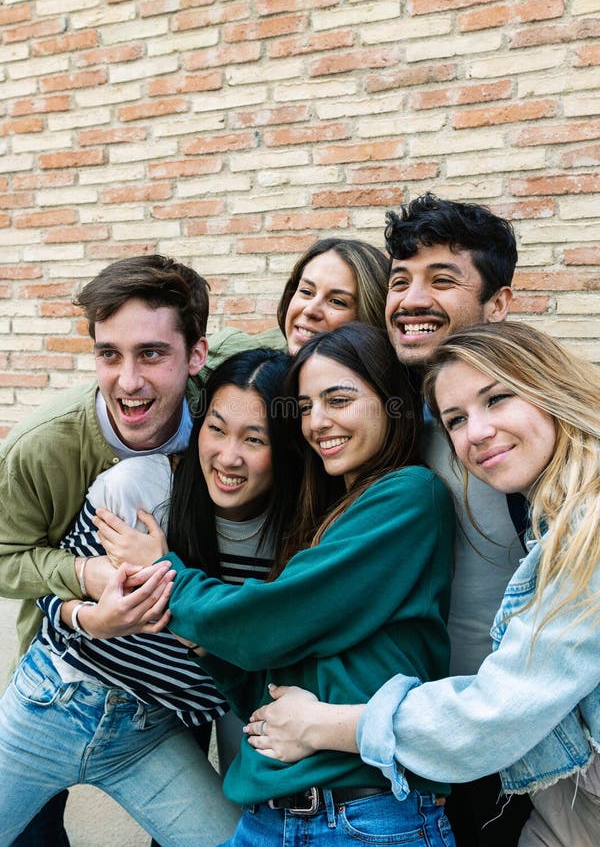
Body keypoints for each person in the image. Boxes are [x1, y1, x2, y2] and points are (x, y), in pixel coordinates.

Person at [243, 193, 534, 846]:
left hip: (495, 742)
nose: (413, 297)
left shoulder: (522, 424)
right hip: (395, 742)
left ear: (499, 304)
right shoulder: (385, 419)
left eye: (442, 279)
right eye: (401, 280)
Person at [95, 322, 457, 847]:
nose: (319, 422)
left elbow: (274, 623)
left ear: (391, 401)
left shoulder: (410, 496)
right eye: (306, 407)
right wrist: (207, 646)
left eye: (339, 400)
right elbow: (264, 682)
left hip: (364, 818)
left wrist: (166, 576)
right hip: (268, 818)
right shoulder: (325, 518)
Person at [246, 322, 600, 847]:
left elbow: (495, 712)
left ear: (551, 389)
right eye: (456, 419)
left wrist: (321, 725)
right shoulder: (550, 522)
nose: (476, 433)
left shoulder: (587, 527)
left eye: (497, 399)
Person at [0, 347, 301, 844]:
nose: (228, 456)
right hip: (55, 699)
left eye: (255, 439)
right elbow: (53, 592)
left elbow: (254, 653)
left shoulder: (293, 539)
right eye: (217, 430)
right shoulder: (142, 487)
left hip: (151, 732)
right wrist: (89, 619)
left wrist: (175, 591)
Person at [0, 254, 212, 846]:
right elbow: (3, 556)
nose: (128, 380)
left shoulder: (226, 409)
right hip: (62, 674)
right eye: (108, 354)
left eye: (151, 353)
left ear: (196, 355)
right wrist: (84, 577)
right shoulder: (41, 448)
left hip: (169, 694)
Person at [202, 235, 389, 372]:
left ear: (369, 319)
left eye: (337, 302)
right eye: (306, 292)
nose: (310, 310)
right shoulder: (231, 356)